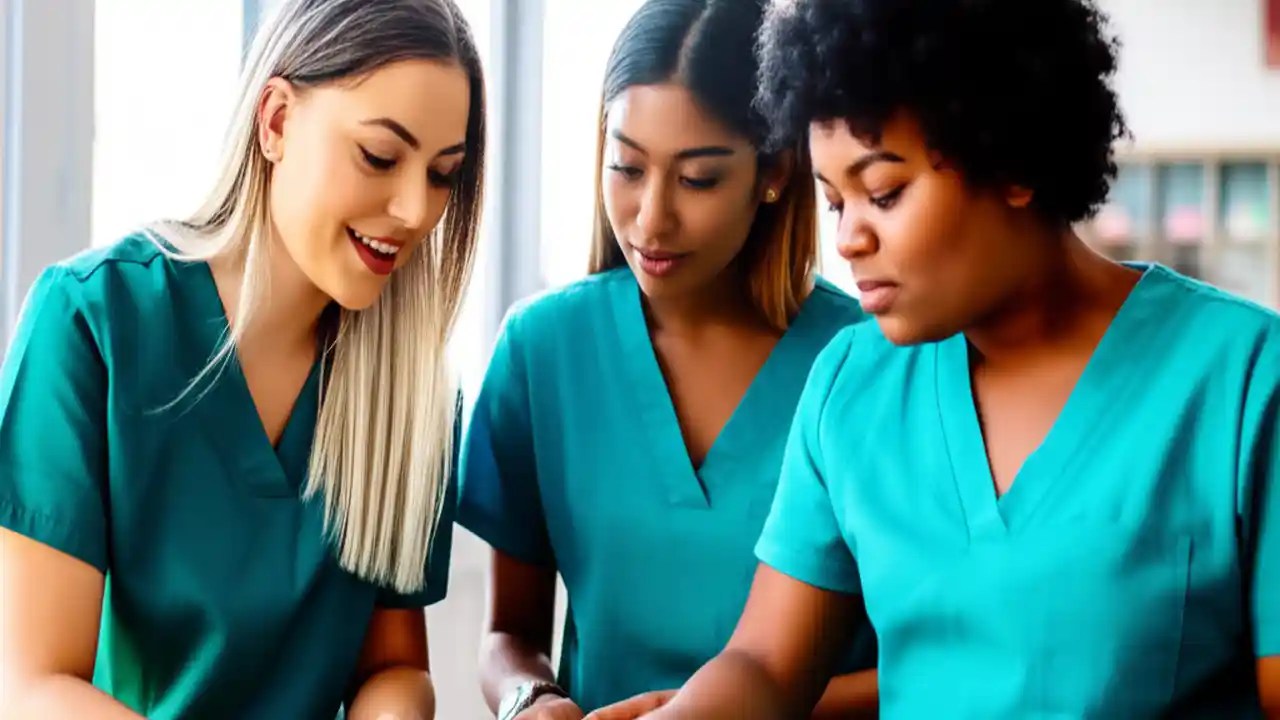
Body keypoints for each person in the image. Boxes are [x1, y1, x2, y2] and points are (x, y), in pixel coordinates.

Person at [588, 0, 1280, 717]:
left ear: (1014, 162)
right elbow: (765, 664)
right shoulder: (851, 385)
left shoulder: (1245, 381)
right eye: (836, 203)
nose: (849, 240)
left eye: (883, 194)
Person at [0, 1, 486, 717]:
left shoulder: (414, 395)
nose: (416, 210)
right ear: (276, 121)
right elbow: (33, 686)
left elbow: (393, 666)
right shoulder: (90, 323)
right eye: (380, 157)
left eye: (443, 174)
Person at [456, 1, 877, 718]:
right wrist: (529, 699)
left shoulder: (868, 361)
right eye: (626, 167)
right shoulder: (540, 350)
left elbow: (920, 661)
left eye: (698, 179)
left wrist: (716, 712)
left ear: (775, 170)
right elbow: (508, 636)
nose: (651, 219)